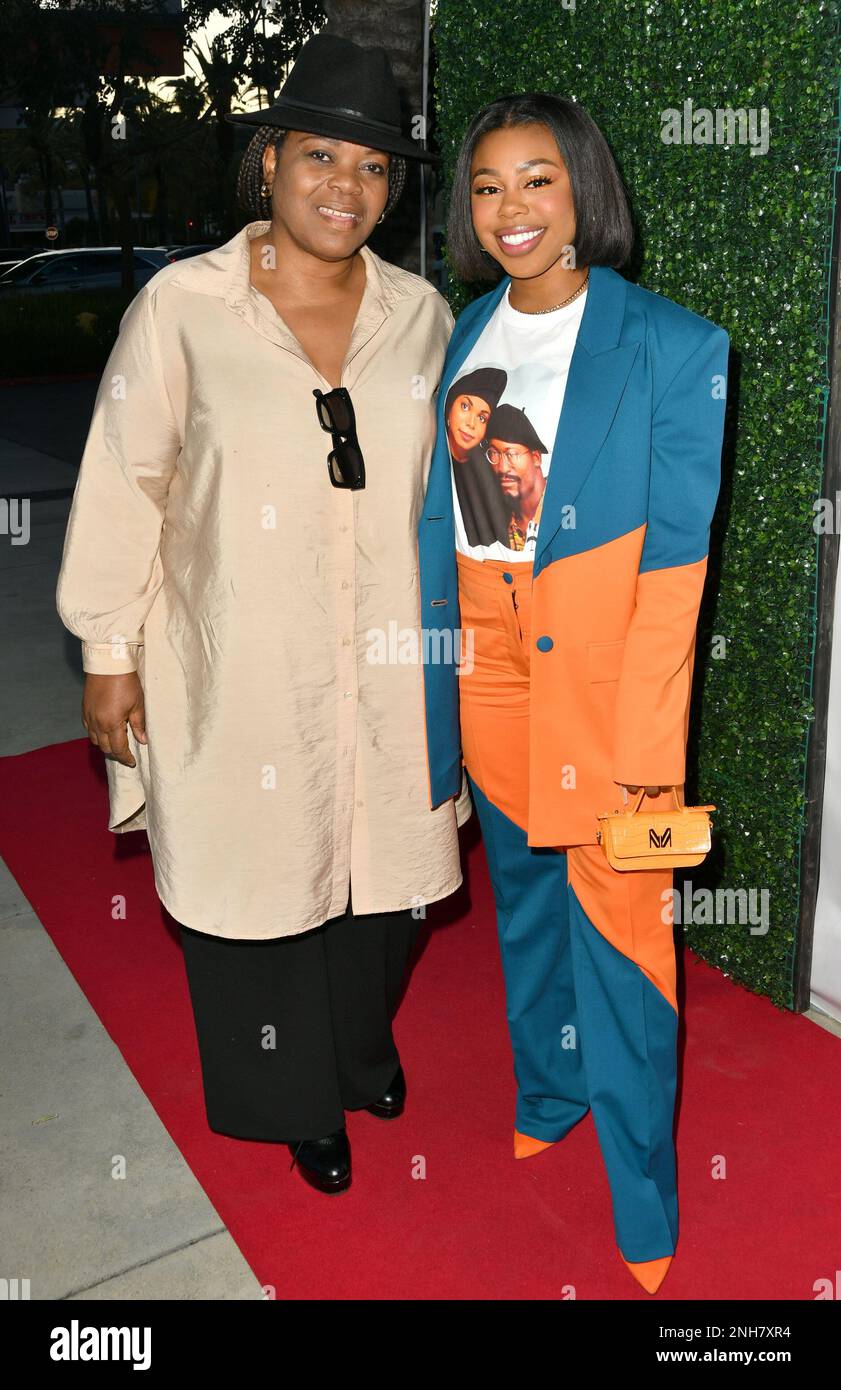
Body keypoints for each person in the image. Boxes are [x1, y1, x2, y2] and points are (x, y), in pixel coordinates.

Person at [56, 32, 471, 1196]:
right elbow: (124, 482)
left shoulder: (425, 318)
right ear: (271, 162)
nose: (346, 186)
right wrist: (108, 650)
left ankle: (360, 1047)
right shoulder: (181, 310)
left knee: (383, 878)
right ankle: (295, 1099)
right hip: (238, 660)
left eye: (373, 168)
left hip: (392, 660)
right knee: (256, 887)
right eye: (321, 157)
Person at [418, 92, 729, 1292]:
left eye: (537, 181)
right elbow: (455, 525)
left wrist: (651, 757)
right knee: (529, 908)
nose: (512, 209)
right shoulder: (464, 330)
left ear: (583, 188)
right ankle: (547, 1087)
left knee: (628, 936)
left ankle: (644, 1191)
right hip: (489, 674)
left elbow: (675, 578)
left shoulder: (676, 347)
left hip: (608, 695)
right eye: (488, 186)